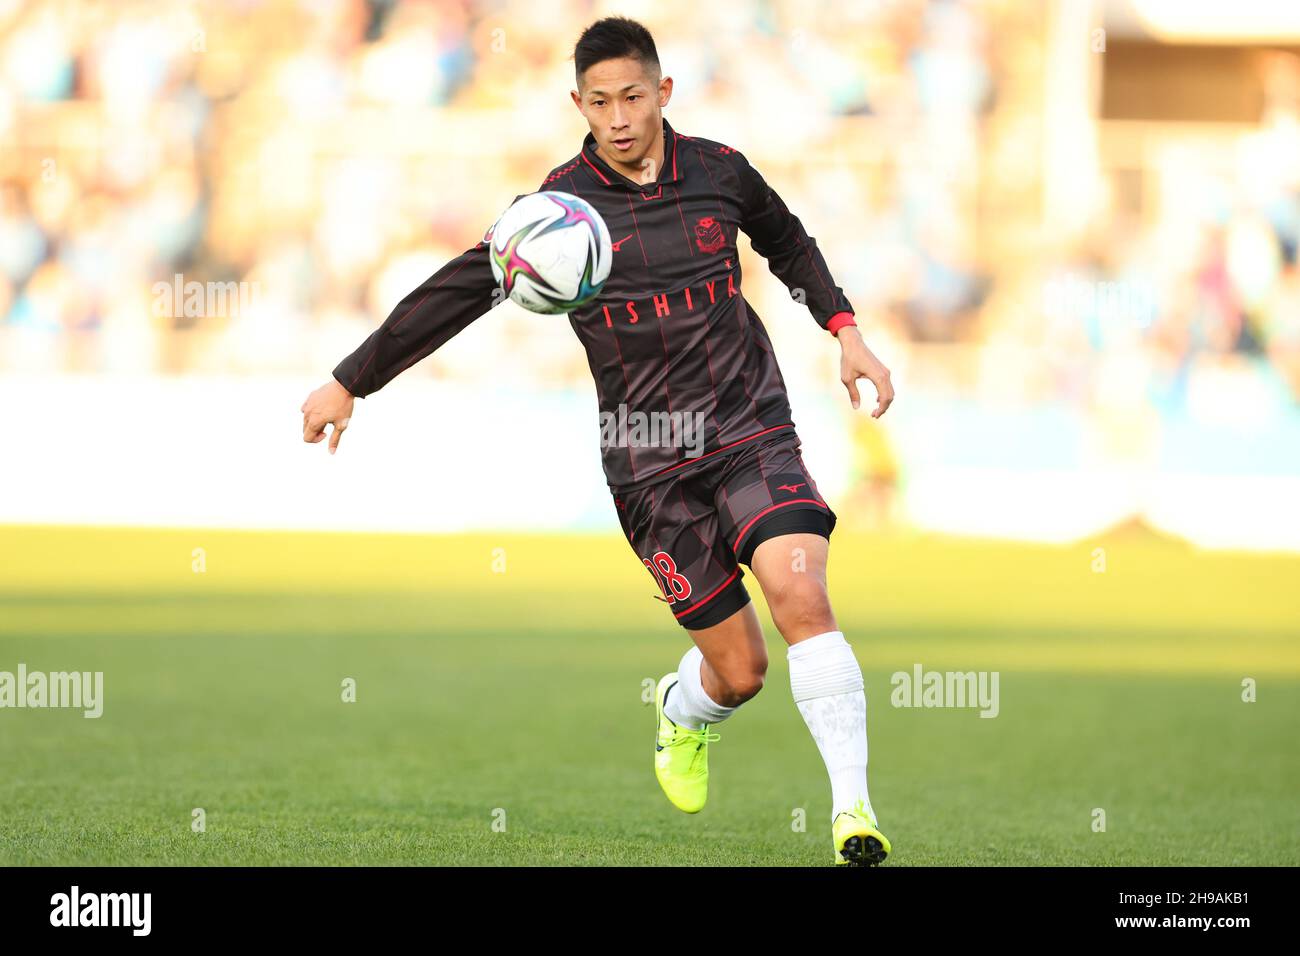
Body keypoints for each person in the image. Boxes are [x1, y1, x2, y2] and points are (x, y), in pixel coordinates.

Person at [300, 15, 896, 866]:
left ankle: (853, 817)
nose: (618, 118)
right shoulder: (552, 215)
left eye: (633, 97)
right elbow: (457, 293)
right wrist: (349, 379)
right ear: (577, 102)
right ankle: (682, 713)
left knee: (803, 598)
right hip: (647, 460)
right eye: (600, 102)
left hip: (748, 426)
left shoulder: (723, 172)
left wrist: (846, 330)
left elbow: (788, 241)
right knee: (741, 672)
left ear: (663, 92)